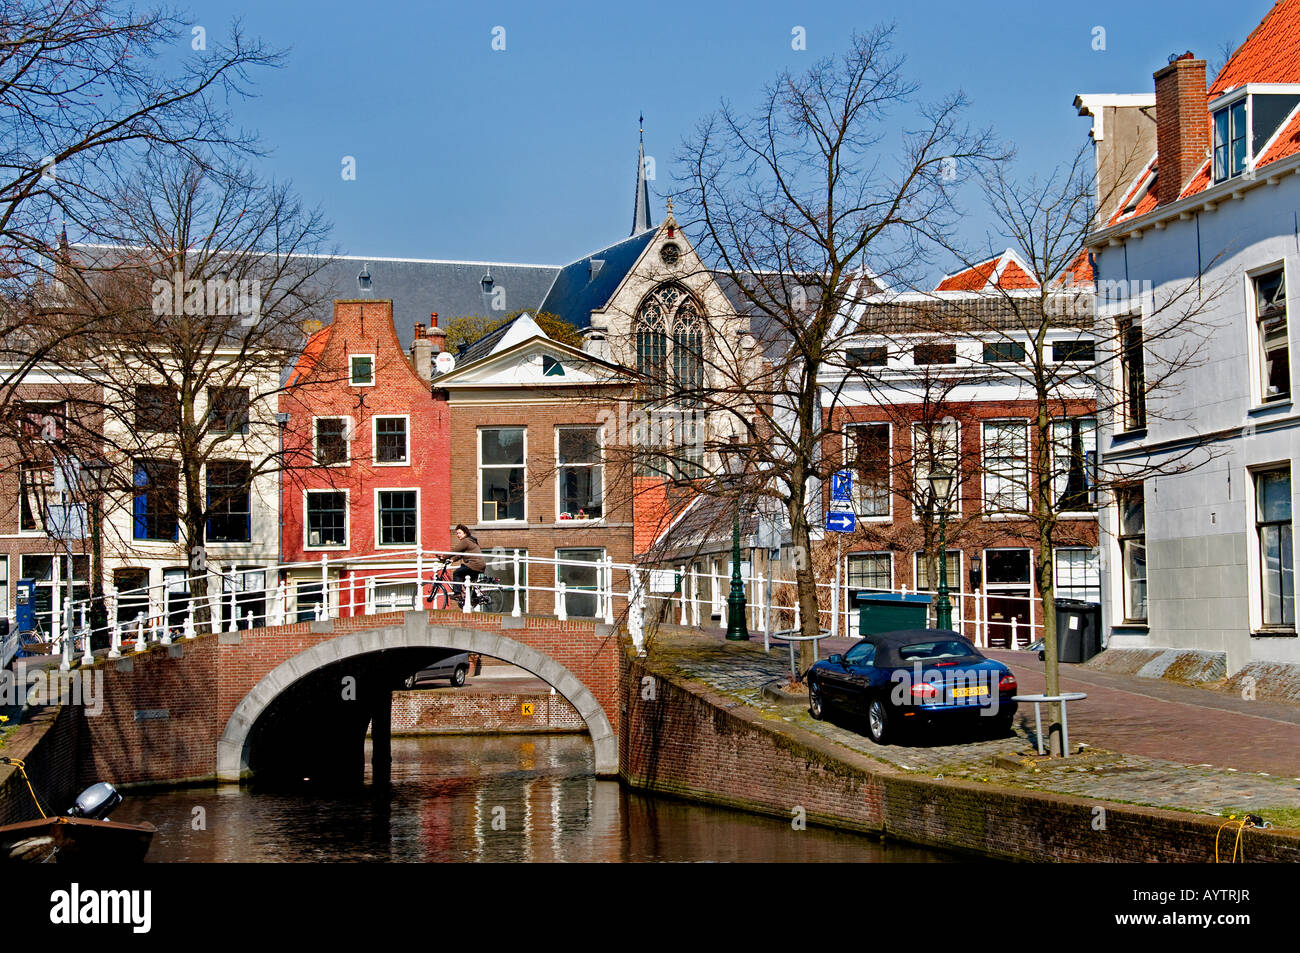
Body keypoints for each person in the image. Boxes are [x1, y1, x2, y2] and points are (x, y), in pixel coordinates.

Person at [449, 525, 486, 606]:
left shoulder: (466, 541)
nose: (458, 535)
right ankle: (474, 599)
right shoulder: (470, 541)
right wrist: (452, 560)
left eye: (459, 533)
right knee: (468, 583)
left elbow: (455, 550)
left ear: (465, 533)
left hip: (474, 565)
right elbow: (460, 554)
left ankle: (457, 593)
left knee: (457, 573)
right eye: (457, 533)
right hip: (479, 565)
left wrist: (443, 557)